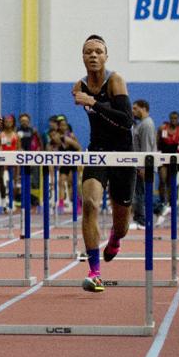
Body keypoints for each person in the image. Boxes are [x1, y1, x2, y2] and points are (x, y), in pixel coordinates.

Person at [71, 35, 133, 293]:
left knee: (122, 226)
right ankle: (94, 272)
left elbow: (126, 121)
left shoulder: (115, 81)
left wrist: (94, 102)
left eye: (98, 51)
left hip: (123, 154)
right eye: (88, 52)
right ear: (83, 57)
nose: (93, 56)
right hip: (97, 152)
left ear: (106, 57)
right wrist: (89, 100)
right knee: (90, 204)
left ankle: (115, 239)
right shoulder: (79, 85)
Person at [131, 100, 156, 230]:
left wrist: (143, 167)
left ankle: (141, 220)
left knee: (140, 193)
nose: (133, 111)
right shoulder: (141, 124)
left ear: (144, 108)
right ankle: (141, 217)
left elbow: (146, 147)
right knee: (139, 192)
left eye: (135, 108)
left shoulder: (146, 125)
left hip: (144, 164)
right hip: (140, 163)